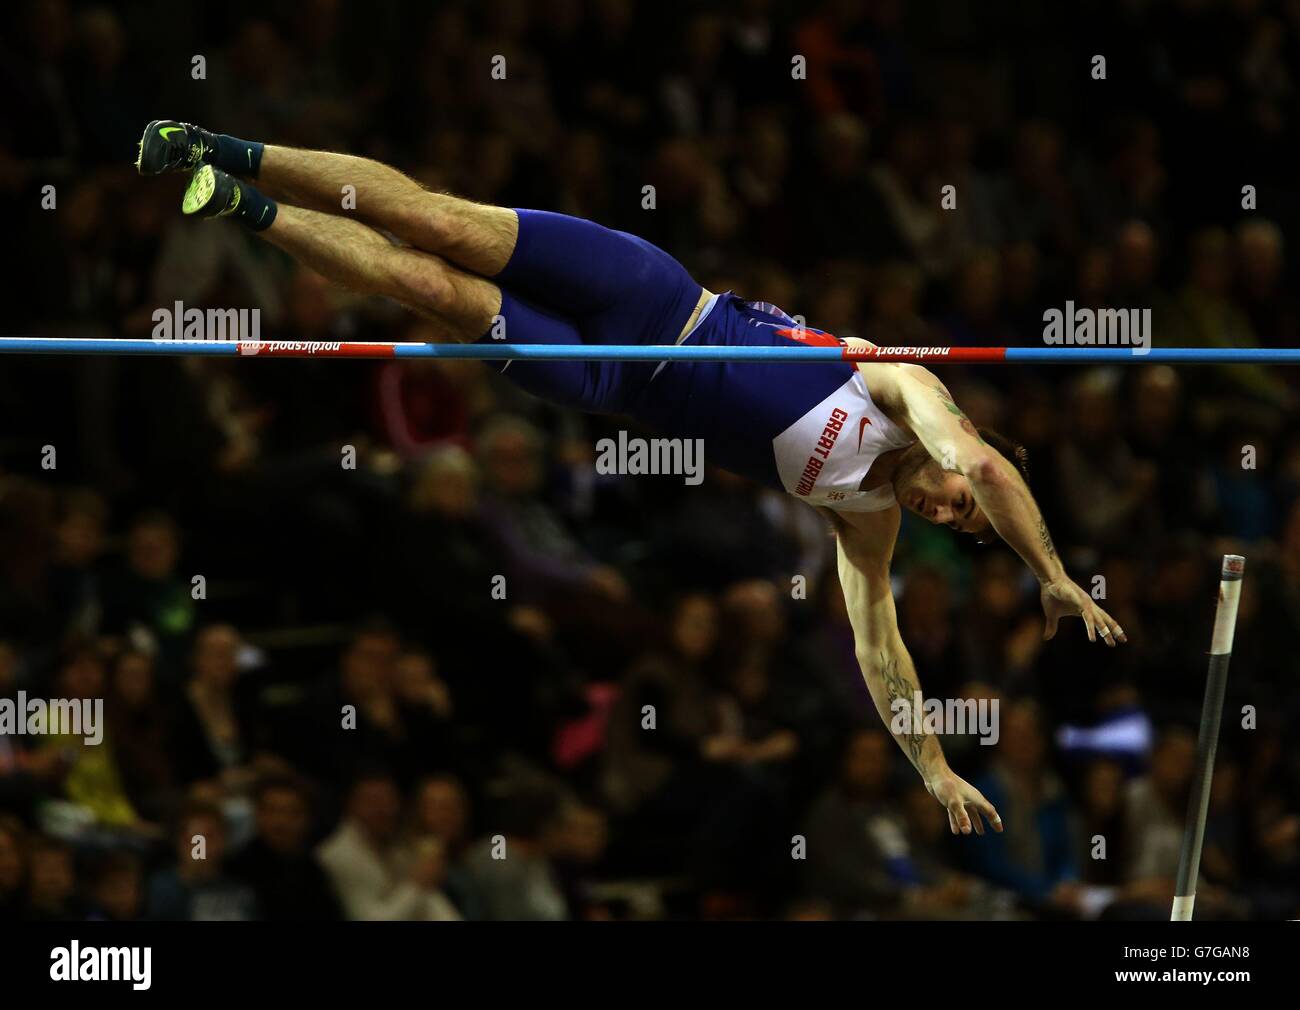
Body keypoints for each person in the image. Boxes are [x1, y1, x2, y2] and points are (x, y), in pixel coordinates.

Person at [135, 120, 1129, 834]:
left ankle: (238, 205)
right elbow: (983, 461)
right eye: (956, 506)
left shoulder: (860, 515)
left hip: (613, 381)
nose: (939, 506)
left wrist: (937, 766)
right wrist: (1049, 568)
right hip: (653, 296)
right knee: (440, 223)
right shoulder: (901, 385)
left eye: (951, 523)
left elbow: (884, 655)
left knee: (423, 287)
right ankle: (217, 145)